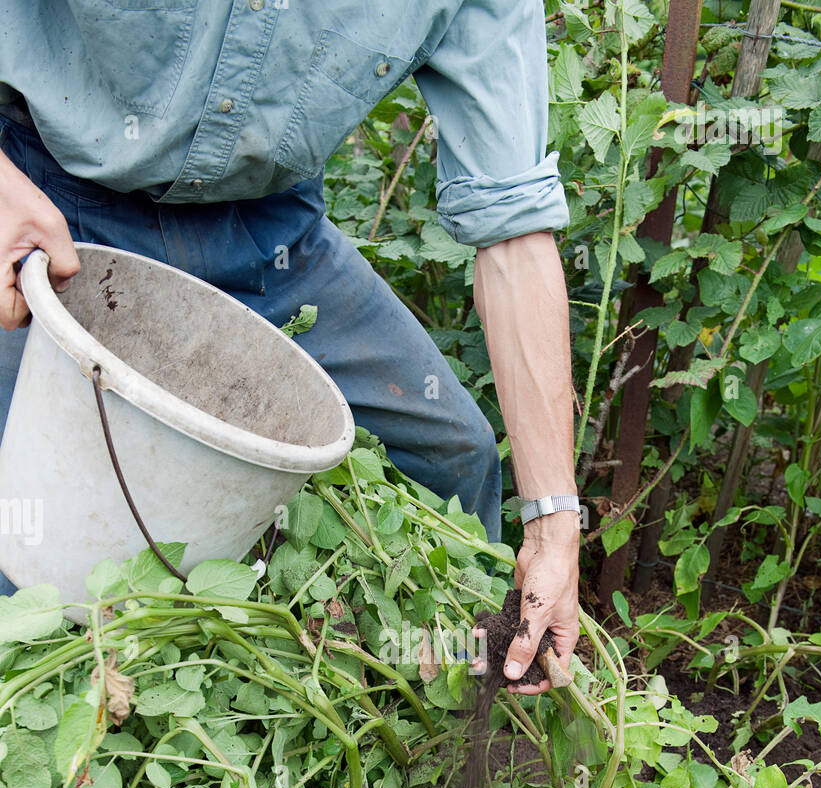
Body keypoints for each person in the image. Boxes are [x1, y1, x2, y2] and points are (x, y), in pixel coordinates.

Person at [0, 0, 580, 692]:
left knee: (449, 457)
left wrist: (553, 525)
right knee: (25, 541)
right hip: (47, 208)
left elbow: (513, 229)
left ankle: (437, 718)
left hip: (271, 237)